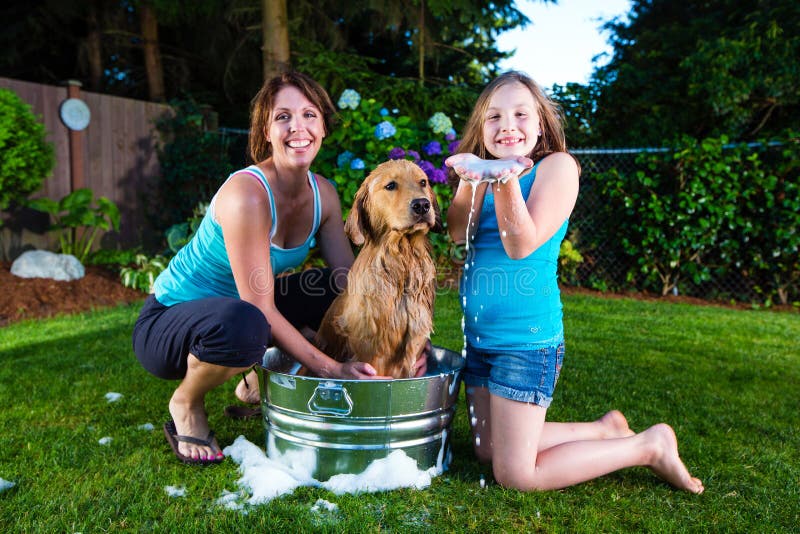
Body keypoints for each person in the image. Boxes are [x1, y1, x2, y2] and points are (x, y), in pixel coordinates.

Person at [445, 71, 704, 493]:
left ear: (542, 124)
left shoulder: (557, 168)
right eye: (493, 118)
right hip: (481, 339)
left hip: (525, 342)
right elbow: (459, 233)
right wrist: (471, 180)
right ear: (481, 129)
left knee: (515, 475)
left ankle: (648, 446)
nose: (507, 125)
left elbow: (520, 245)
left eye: (520, 114)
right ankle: (604, 429)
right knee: (488, 449)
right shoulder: (484, 175)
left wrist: (505, 176)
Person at [132, 71, 396, 464]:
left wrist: (404, 338)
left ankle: (255, 382)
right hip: (168, 323)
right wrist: (332, 368)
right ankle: (186, 402)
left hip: (241, 310)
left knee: (334, 287)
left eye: (308, 114)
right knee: (247, 322)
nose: (298, 127)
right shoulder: (247, 194)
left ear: (323, 124)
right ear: (266, 131)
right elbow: (259, 308)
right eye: (282, 117)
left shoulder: (323, 194)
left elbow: (353, 282)